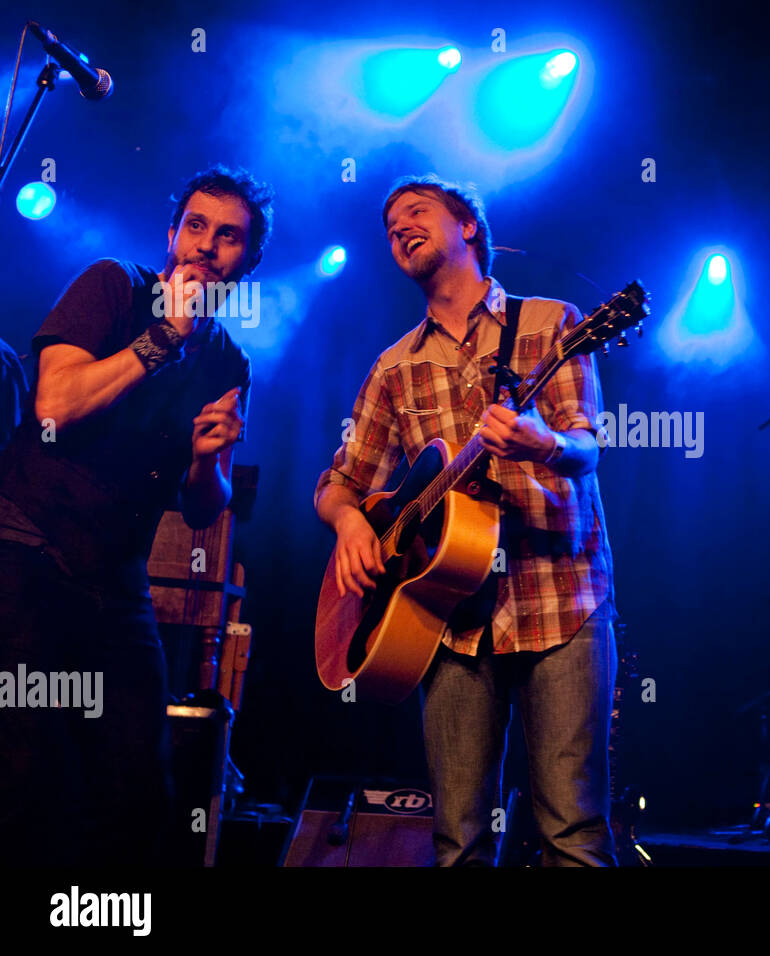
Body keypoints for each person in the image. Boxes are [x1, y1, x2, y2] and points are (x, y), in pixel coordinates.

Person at [314, 176, 617, 866]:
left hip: (559, 600)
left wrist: (543, 441)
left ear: (468, 228)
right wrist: (352, 526)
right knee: (456, 843)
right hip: (445, 620)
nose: (399, 229)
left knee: (572, 833)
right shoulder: (394, 366)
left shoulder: (551, 323)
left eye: (416, 214)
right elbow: (339, 483)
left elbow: (586, 447)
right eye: (390, 226)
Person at [0, 163, 271, 865]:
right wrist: (162, 340)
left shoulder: (230, 363)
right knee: (25, 775)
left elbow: (201, 508)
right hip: (27, 551)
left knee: (137, 787)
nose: (208, 246)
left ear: (250, 260)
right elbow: (55, 405)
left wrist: (208, 462)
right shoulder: (113, 285)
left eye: (230, 236)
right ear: (172, 234)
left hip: (115, 585)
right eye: (197, 227)